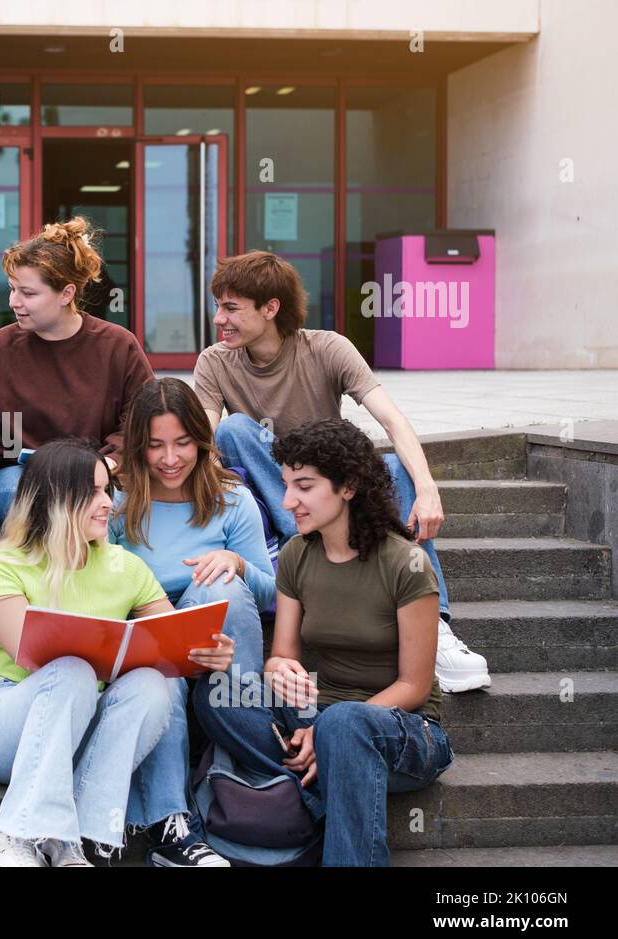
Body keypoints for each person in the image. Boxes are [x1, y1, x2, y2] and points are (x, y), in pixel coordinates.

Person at [192, 250, 490, 693]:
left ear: (270, 308)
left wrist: (427, 489)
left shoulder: (326, 347)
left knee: (392, 465)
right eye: (219, 306)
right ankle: (304, 536)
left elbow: (392, 420)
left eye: (231, 307)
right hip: (283, 506)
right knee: (234, 430)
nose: (220, 319)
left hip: (338, 494)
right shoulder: (216, 362)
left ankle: (437, 627)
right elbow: (204, 438)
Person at [192, 418, 455, 867]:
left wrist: (330, 730)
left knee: (343, 726)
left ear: (348, 486)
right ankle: (327, 783)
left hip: (405, 730)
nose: (288, 500)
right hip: (317, 713)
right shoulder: (297, 554)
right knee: (218, 694)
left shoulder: (407, 563)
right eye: (286, 485)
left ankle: (318, 801)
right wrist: (282, 673)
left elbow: (414, 685)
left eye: (304, 486)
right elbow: (282, 658)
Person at [0, 439, 235, 866]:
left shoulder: (124, 565)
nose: (108, 503)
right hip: (8, 724)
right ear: (55, 498)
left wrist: (205, 654)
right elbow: (28, 651)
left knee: (152, 682)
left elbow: (174, 639)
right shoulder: (6, 563)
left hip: (85, 725)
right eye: (93, 493)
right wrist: (100, 652)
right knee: (71, 670)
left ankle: (77, 839)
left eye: (108, 490)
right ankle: (12, 837)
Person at [108, 377, 274, 866]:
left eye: (182, 443)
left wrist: (238, 564)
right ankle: (171, 823)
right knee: (161, 668)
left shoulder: (232, 500)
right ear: (138, 447)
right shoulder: (117, 505)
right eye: (156, 445)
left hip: (222, 645)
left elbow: (270, 592)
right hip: (154, 646)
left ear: (201, 442)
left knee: (220, 583)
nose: (170, 458)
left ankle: (241, 756)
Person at [0, 218, 155, 546]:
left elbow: (143, 422)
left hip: (97, 480)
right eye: (13, 289)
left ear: (66, 293)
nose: (14, 301)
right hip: (17, 481)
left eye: (27, 293)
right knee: (27, 493)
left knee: (117, 509)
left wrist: (108, 463)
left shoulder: (117, 346)